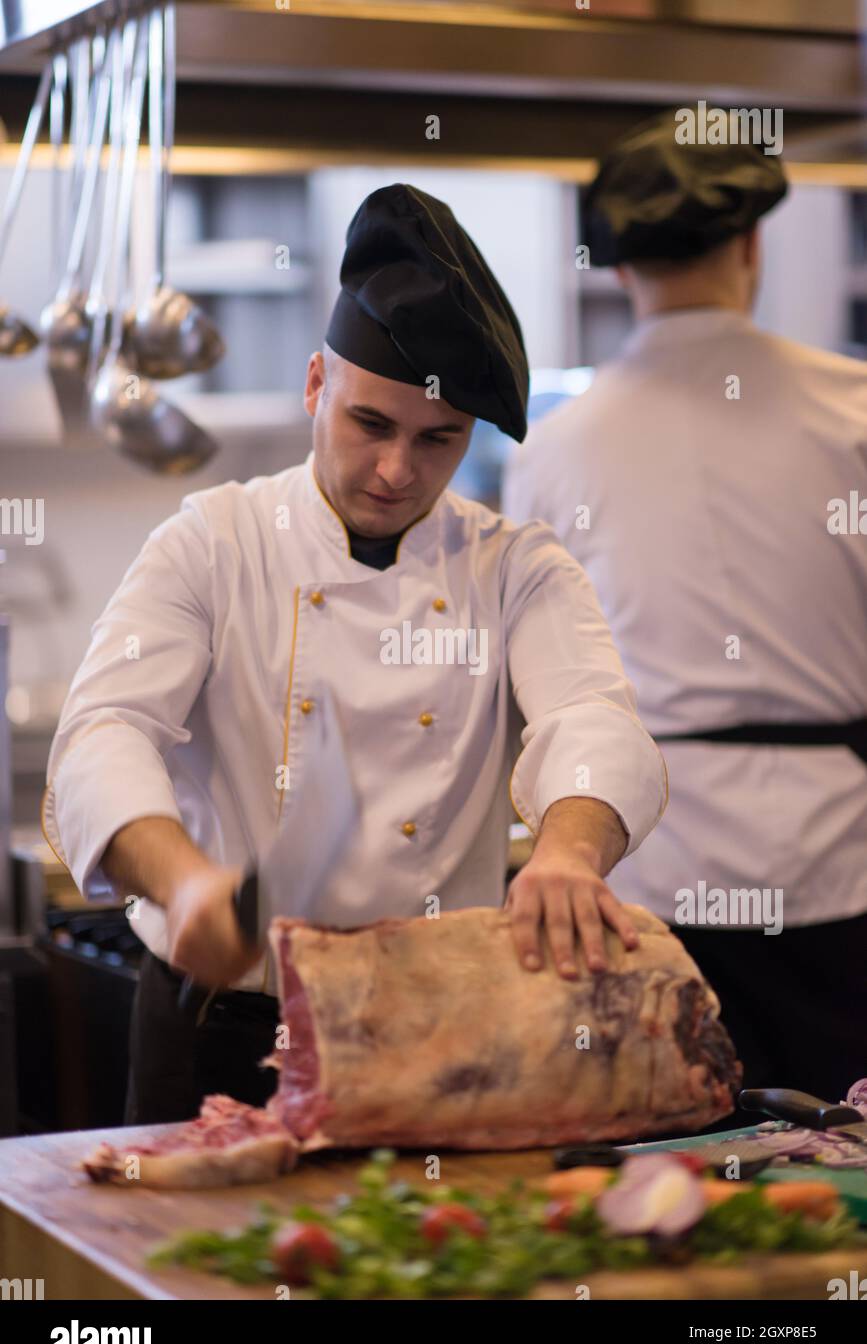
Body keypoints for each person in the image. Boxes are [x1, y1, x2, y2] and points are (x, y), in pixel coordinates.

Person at [44, 183, 667, 1125]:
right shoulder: (213, 541)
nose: (396, 470)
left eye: (437, 440)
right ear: (315, 386)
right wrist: (184, 882)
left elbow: (590, 717)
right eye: (370, 424)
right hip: (216, 1026)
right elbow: (105, 731)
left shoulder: (514, 567)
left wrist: (570, 853)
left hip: (431, 1025)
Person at [504, 114, 867, 1107]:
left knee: (678, 1154)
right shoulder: (854, 410)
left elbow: (541, 682)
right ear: (751, 246)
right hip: (837, 860)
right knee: (844, 1153)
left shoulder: (551, 449)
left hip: (648, 870)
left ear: (620, 267)